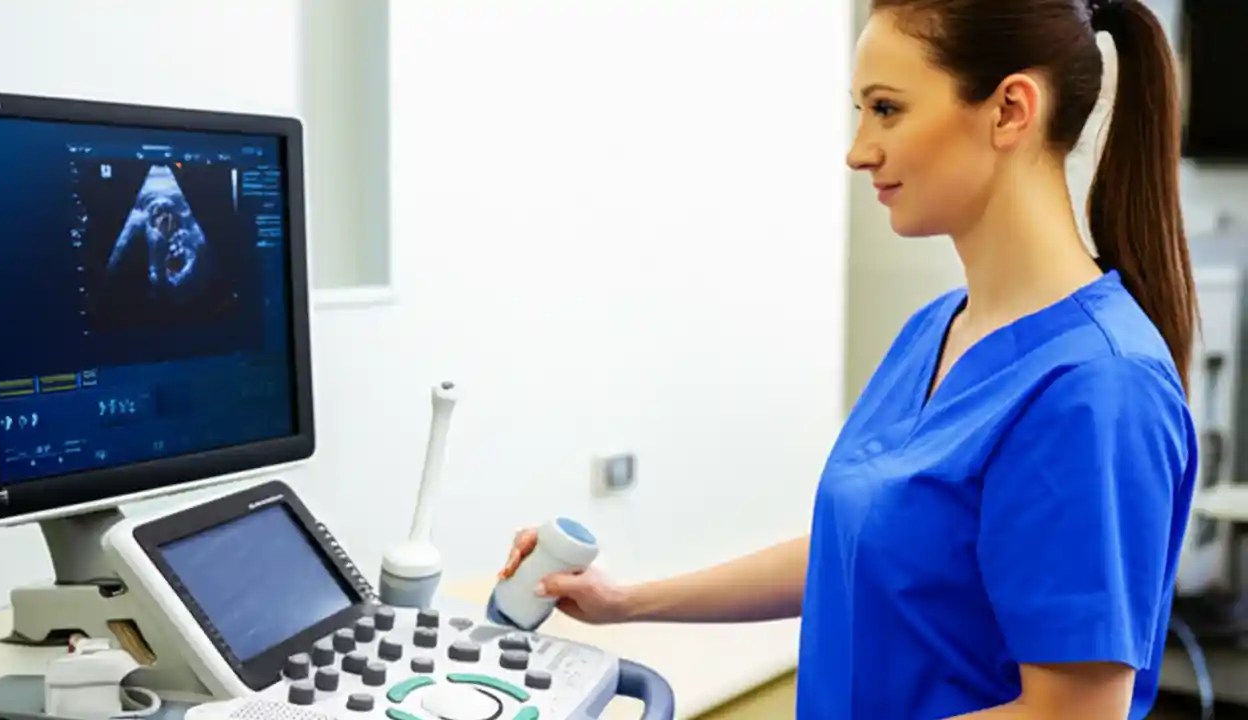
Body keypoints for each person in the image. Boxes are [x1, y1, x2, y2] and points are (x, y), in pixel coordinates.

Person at [497, 0, 1199, 717]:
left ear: (1010, 110)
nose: (859, 149)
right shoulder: (939, 330)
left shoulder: (1096, 389)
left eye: (887, 109)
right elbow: (866, 552)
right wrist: (627, 603)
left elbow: (1070, 715)